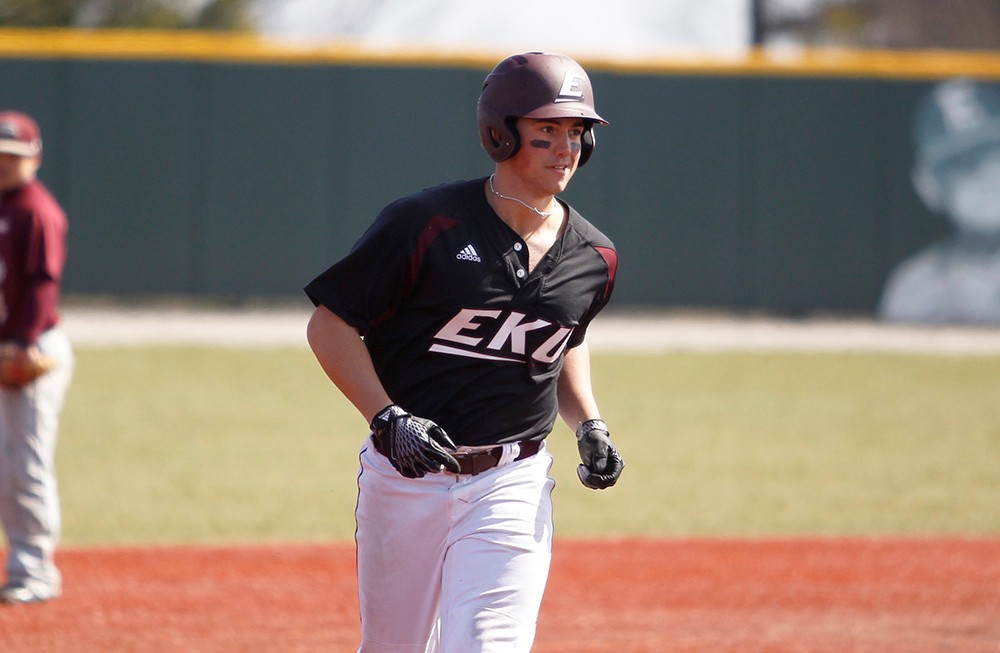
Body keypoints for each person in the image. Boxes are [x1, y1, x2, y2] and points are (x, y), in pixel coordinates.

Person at [304, 52, 624, 651]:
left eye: (577, 132)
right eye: (547, 131)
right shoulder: (424, 224)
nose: (567, 148)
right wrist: (386, 416)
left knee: (488, 645)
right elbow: (331, 326)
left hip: (512, 481)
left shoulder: (594, 256)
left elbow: (561, 342)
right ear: (500, 134)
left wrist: (589, 423)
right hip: (407, 478)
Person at [0, 111, 73, 605]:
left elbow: (42, 285)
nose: (6, 164)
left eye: (15, 157)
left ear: (36, 158)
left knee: (22, 463)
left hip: (27, 346)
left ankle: (34, 571)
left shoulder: (35, 210)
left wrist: (21, 342)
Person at [878, 77, 1000, 325]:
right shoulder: (916, 287)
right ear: (929, 185)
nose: (988, 174)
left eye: (996, 152)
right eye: (963, 163)